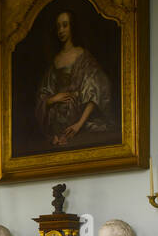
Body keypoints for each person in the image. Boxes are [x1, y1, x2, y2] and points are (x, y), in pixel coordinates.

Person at [34, 8, 113, 148]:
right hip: (55, 118)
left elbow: (95, 89)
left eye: (65, 25)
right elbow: (43, 93)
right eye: (58, 26)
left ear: (72, 27)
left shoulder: (82, 55)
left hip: (77, 115)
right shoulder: (56, 60)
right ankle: (57, 136)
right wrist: (54, 98)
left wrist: (79, 124)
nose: (61, 30)